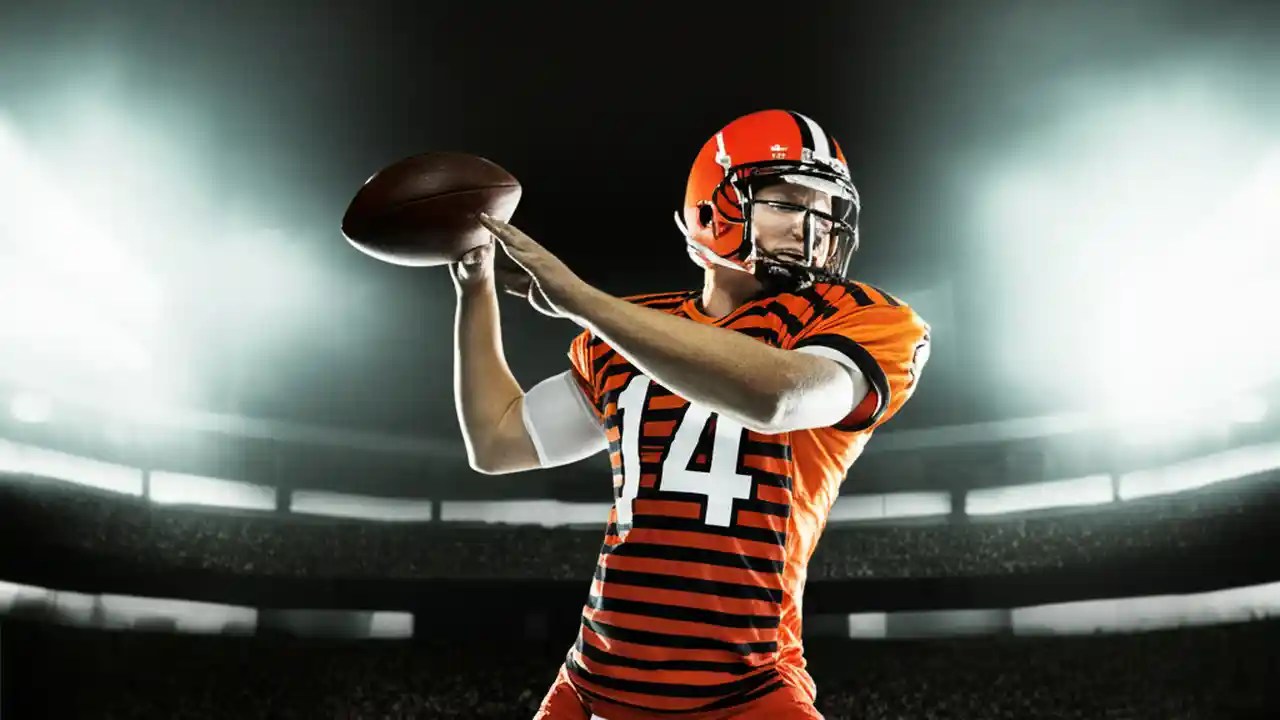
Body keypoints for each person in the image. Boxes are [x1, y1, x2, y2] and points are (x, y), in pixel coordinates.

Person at [451, 109, 932, 720]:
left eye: (825, 207)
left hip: (749, 690)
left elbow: (776, 397)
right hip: (593, 686)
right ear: (711, 209)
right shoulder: (628, 332)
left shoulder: (862, 319)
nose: (812, 227)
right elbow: (497, 442)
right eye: (785, 200)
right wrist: (476, 291)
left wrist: (581, 300)